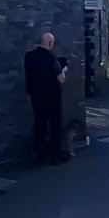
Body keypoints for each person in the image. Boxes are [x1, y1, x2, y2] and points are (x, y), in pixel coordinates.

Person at [24, 32, 67, 164]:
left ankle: (40, 154)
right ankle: (55, 155)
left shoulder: (29, 57)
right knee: (54, 126)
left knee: (39, 124)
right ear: (50, 43)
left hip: (36, 96)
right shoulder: (52, 59)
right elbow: (60, 79)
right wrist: (64, 70)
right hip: (52, 97)